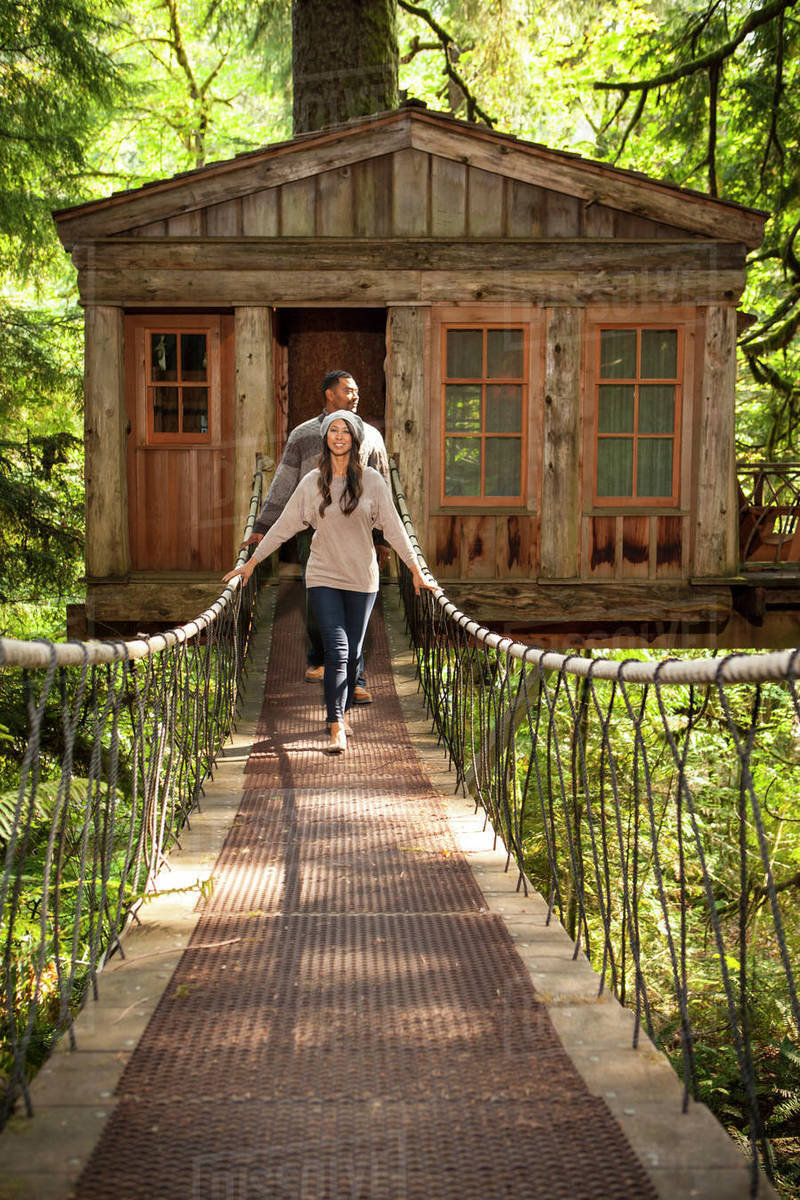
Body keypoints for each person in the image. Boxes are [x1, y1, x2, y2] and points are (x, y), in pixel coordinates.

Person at [224, 410, 436, 754]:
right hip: (323, 576)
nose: (339, 436)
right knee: (337, 650)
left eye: (345, 431)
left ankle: (343, 710)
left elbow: (396, 531)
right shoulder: (311, 482)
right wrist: (251, 563)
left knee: (352, 654)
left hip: (362, 579)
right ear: (325, 438)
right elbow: (284, 526)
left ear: (354, 439)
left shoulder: (372, 481)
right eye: (333, 430)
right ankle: (335, 723)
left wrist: (416, 569)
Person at [242, 370, 389, 704]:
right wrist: (262, 527)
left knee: (356, 603)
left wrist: (381, 539)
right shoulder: (303, 435)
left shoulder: (372, 437)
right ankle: (320, 658)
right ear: (328, 395)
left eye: (357, 391)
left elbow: (383, 488)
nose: (355, 396)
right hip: (314, 529)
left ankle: (356, 677)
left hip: (358, 532)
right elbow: (284, 481)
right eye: (348, 391)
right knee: (319, 596)